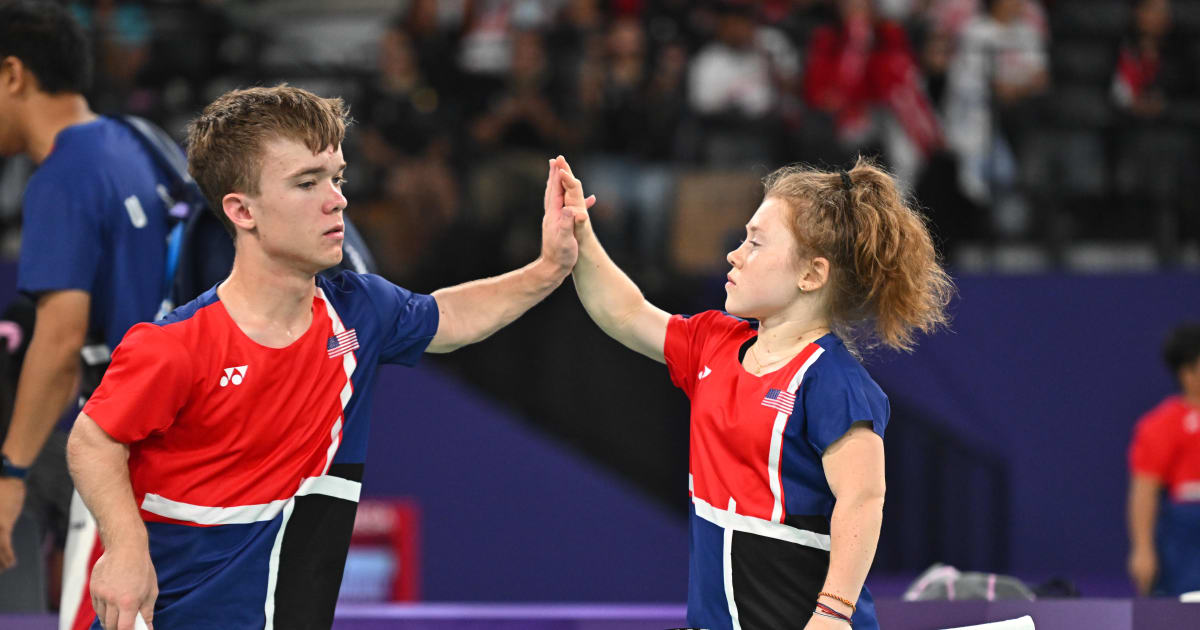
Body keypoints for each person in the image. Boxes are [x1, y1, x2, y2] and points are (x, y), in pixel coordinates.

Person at [65, 84, 591, 630]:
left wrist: (550, 266)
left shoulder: (359, 313)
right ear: (242, 210)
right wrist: (123, 550)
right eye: (306, 182)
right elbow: (93, 438)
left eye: (336, 177)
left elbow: (450, 317)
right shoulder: (174, 345)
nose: (336, 198)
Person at [557, 154, 951, 629]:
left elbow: (863, 500)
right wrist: (581, 232)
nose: (734, 253)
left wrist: (833, 613)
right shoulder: (712, 343)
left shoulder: (833, 383)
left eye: (756, 243)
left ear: (812, 275)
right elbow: (625, 313)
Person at [0, 2, 173, 624]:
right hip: (174, 442)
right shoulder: (133, 143)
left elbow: (61, 338)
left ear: (13, 74)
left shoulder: (62, 175)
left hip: (123, 451)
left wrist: (10, 472)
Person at [1128, 323, 1200, 597]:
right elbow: (1144, 490)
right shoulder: (1162, 424)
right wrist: (1142, 549)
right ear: (1187, 374)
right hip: (1184, 539)